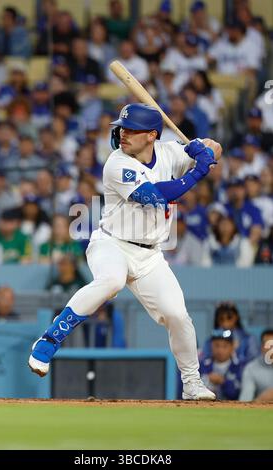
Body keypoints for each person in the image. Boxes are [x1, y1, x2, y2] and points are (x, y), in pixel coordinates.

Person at [29, 103, 222, 400]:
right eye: (122, 128)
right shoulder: (117, 164)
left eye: (131, 130)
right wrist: (199, 170)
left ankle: (192, 383)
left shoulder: (171, 152)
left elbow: (214, 149)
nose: (123, 134)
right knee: (111, 281)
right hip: (111, 244)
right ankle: (49, 340)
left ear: (151, 136)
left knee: (178, 316)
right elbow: (156, 197)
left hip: (150, 255)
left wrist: (207, 149)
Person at [200, 329, 243, 400]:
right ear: (211, 346)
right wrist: (207, 379)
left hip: (231, 408)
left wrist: (223, 381)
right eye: (217, 345)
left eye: (225, 346)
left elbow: (236, 394)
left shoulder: (239, 366)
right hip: (205, 407)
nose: (220, 350)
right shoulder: (202, 365)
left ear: (232, 347)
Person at [239, 329, 273, 402]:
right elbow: (245, 401)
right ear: (261, 347)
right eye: (268, 345)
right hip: (263, 411)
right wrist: (262, 399)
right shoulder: (251, 368)